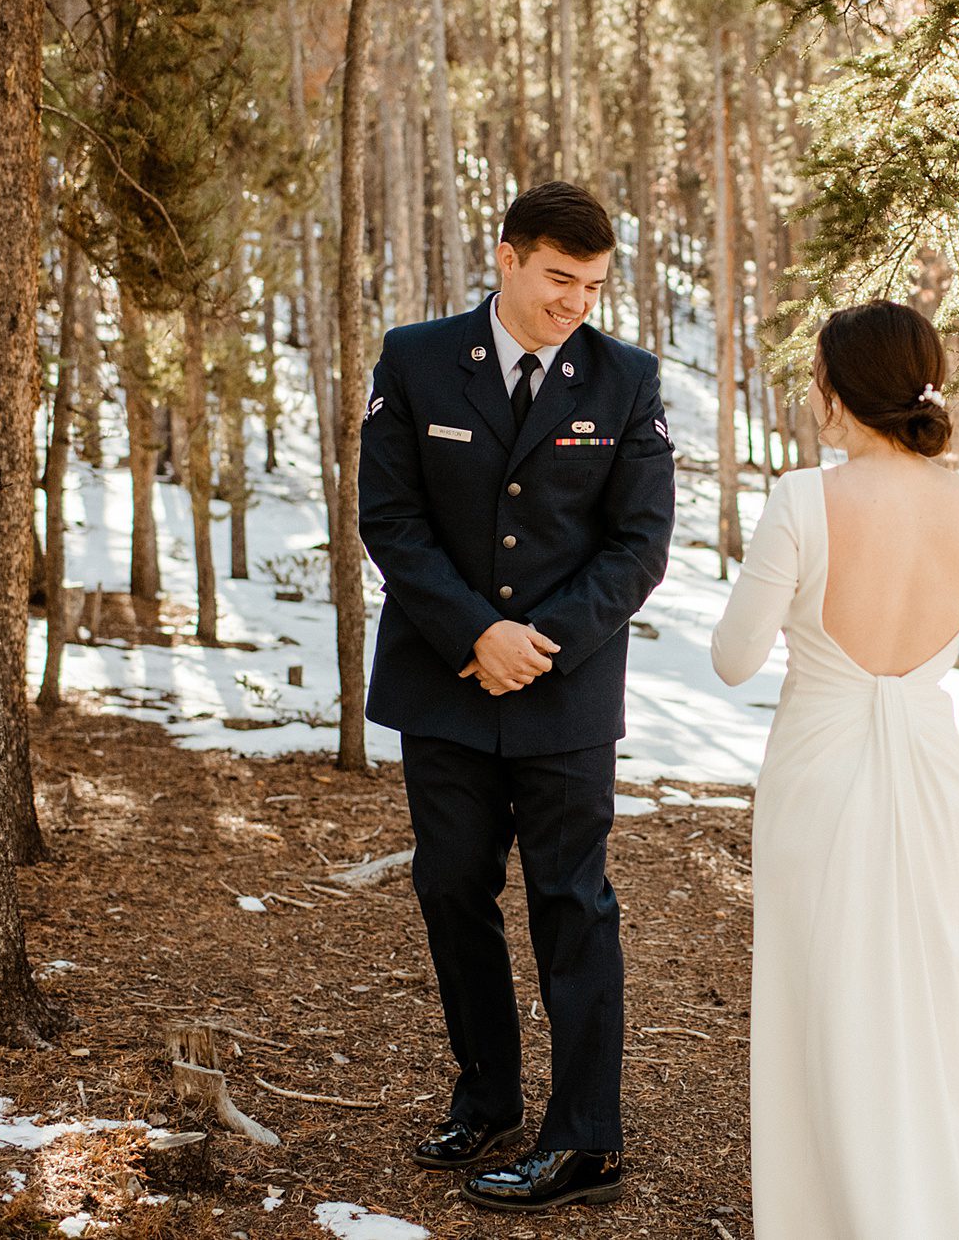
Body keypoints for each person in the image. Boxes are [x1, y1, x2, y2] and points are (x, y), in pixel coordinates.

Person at [358, 181, 675, 1213]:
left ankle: (585, 1139)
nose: (574, 302)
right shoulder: (413, 359)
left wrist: (541, 644)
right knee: (451, 886)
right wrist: (474, 633)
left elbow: (640, 543)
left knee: (570, 903)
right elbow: (390, 518)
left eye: (592, 285)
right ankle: (487, 1093)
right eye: (557, 279)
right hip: (445, 680)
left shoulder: (626, 380)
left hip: (564, 689)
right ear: (506, 258)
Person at [709, 300, 959, 1238]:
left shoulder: (802, 499)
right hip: (937, 783)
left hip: (819, 775)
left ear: (841, 391)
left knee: (820, 1005)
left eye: (819, 376)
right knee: (935, 1020)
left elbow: (734, 657)